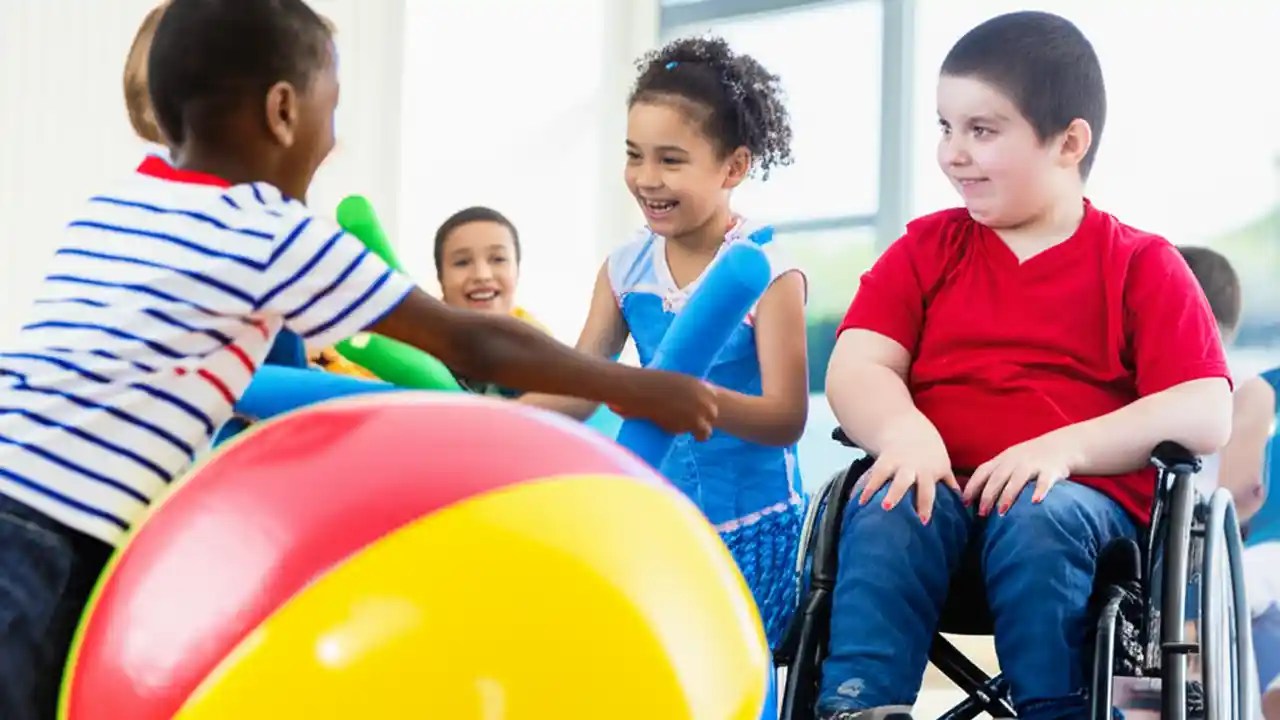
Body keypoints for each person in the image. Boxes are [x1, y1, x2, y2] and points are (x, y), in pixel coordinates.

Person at [0, 2, 717, 717]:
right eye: (330, 109)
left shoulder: (120, 202)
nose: (332, 140)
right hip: (50, 536)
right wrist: (637, 385)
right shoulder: (267, 233)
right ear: (283, 111)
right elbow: (472, 340)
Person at [819, 11, 1232, 720]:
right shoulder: (924, 252)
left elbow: (1205, 407)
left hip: (1074, 517)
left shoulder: (1140, 265)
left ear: (1068, 142)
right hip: (938, 494)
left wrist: (1065, 448)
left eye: (982, 131)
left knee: (1039, 511)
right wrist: (903, 431)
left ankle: (1056, 709)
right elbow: (857, 365)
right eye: (945, 127)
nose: (953, 153)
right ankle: (861, 707)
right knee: (887, 497)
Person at [522, 35, 810, 648]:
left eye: (671, 160)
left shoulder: (769, 271)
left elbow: (786, 418)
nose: (646, 179)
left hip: (752, 527)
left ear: (733, 167)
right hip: (662, 522)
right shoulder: (625, 269)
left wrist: (681, 395)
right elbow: (580, 382)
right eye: (634, 155)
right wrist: (496, 423)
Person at [434, 206, 549, 397]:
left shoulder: (541, 353)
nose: (482, 275)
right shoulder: (418, 349)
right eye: (462, 262)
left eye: (498, 259)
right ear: (441, 278)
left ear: (517, 271)